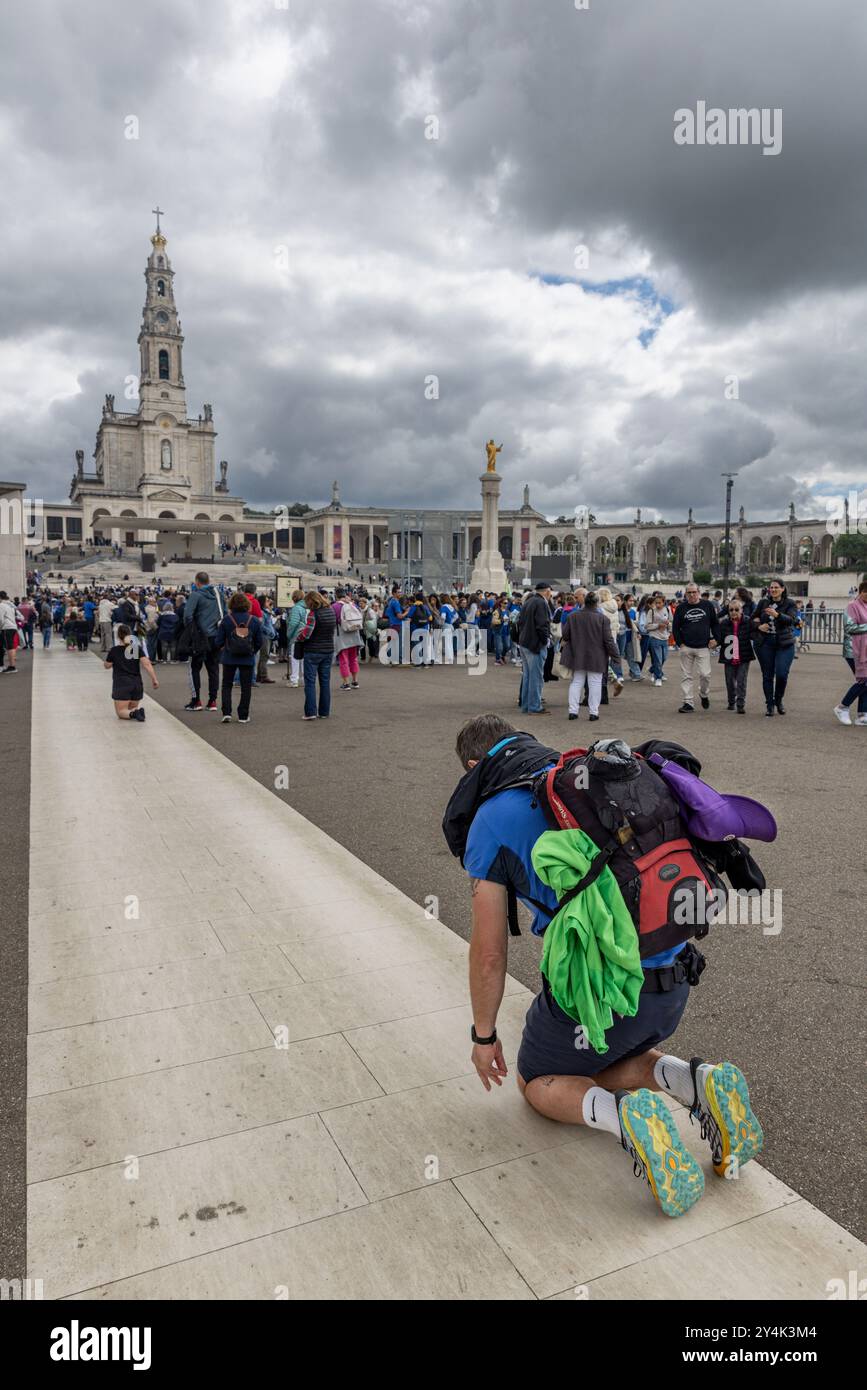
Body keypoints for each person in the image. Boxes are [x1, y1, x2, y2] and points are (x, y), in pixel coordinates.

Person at [449, 715, 763, 1219]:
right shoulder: (590, 780)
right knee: (605, 1061)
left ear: (472, 767)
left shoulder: (490, 817)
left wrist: (483, 1036)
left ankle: (624, 1118)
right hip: (674, 981)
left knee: (539, 1079)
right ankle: (698, 1082)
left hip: (602, 995)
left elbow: (488, 953)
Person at [559, 591, 619, 721]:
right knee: (595, 683)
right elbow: (608, 640)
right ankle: (593, 712)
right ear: (597, 603)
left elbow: (565, 635)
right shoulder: (603, 619)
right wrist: (615, 655)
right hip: (596, 655)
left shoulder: (572, 616)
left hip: (577, 653)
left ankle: (573, 711)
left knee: (576, 682)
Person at [214, 590, 262, 724]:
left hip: (229, 656)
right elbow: (259, 642)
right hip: (247, 657)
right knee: (246, 687)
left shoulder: (226, 620)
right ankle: (243, 715)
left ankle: (226, 712)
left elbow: (218, 641)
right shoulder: (254, 620)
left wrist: (225, 648)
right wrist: (252, 650)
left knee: (227, 684)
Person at [751, 579, 797, 716]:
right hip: (765, 644)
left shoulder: (790, 603)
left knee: (782, 674)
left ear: (783, 589)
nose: (773, 590)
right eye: (771, 587)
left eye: (776, 587)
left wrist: (777, 615)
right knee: (767, 675)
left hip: (784, 643)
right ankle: (769, 704)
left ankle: (778, 700)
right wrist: (759, 626)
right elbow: (751, 619)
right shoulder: (763, 603)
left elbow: (792, 620)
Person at [672, 582, 720, 713]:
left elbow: (715, 624)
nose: (692, 595)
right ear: (685, 594)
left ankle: (704, 694)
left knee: (705, 674)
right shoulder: (681, 608)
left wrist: (717, 639)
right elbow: (675, 627)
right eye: (689, 592)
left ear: (699, 592)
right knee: (686, 675)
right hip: (686, 646)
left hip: (703, 646)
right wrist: (679, 643)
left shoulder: (707, 605)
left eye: (694, 592)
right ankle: (688, 702)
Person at [182, 572, 223, 712]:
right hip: (215, 636)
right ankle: (213, 701)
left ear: (197, 582)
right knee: (213, 669)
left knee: (194, 668)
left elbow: (187, 615)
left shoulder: (196, 595)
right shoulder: (219, 594)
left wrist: (191, 631)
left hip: (200, 637)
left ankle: (196, 700)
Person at [104, 625, 159, 721]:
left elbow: (107, 666)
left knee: (121, 712)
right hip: (137, 683)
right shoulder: (136, 648)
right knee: (130, 709)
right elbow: (147, 664)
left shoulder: (114, 650)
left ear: (118, 636)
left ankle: (135, 713)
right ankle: (135, 712)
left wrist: (114, 661)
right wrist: (154, 679)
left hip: (122, 684)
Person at [834, 579, 867, 725]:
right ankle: (843, 707)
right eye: (866, 592)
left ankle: (862, 714)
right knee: (864, 680)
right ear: (860, 592)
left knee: (865, 680)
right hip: (854, 650)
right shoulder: (852, 606)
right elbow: (849, 627)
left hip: (865, 649)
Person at [517, 582, 552, 714]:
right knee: (536, 677)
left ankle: (526, 705)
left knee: (528, 676)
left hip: (525, 642)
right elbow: (542, 625)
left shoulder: (528, 601)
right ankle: (534, 706)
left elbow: (521, 622)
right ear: (547, 592)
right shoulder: (541, 603)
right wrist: (545, 641)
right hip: (535, 644)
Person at [301, 591, 337, 720]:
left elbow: (307, 634)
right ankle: (324, 711)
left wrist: (299, 635)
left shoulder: (313, 614)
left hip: (313, 650)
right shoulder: (331, 611)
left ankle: (310, 712)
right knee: (325, 682)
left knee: (310, 682)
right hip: (328, 649)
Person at [717, 597, 754, 713]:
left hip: (743, 655)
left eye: (736, 610)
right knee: (729, 680)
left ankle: (740, 704)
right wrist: (714, 642)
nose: (734, 612)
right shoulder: (724, 623)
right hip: (729, 655)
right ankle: (731, 701)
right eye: (731, 610)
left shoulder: (748, 621)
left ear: (741, 610)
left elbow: (755, 634)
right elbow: (720, 638)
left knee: (741, 680)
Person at [333, 587, 364, 687]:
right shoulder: (352, 604)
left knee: (343, 660)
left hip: (342, 635)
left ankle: (346, 683)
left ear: (336, 595)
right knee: (353, 658)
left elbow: (333, 621)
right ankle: (355, 681)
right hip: (354, 634)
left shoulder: (335, 606)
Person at [645, 594, 671, 686]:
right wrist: (658, 625)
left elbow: (671, 622)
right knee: (658, 659)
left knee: (664, 658)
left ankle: (651, 669)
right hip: (654, 637)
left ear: (664, 602)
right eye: (656, 603)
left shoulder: (667, 610)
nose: (657, 605)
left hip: (665, 637)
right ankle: (658, 678)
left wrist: (668, 626)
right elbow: (647, 626)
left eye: (659, 603)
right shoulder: (651, 612)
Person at [0, 591, 21, 672]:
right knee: (11, 646)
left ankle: (12, 666)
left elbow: (0, 619)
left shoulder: (1, 605)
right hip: (12, 627)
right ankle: (12, 665)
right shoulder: (10, 605)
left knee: (9, 647)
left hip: (6, 627)